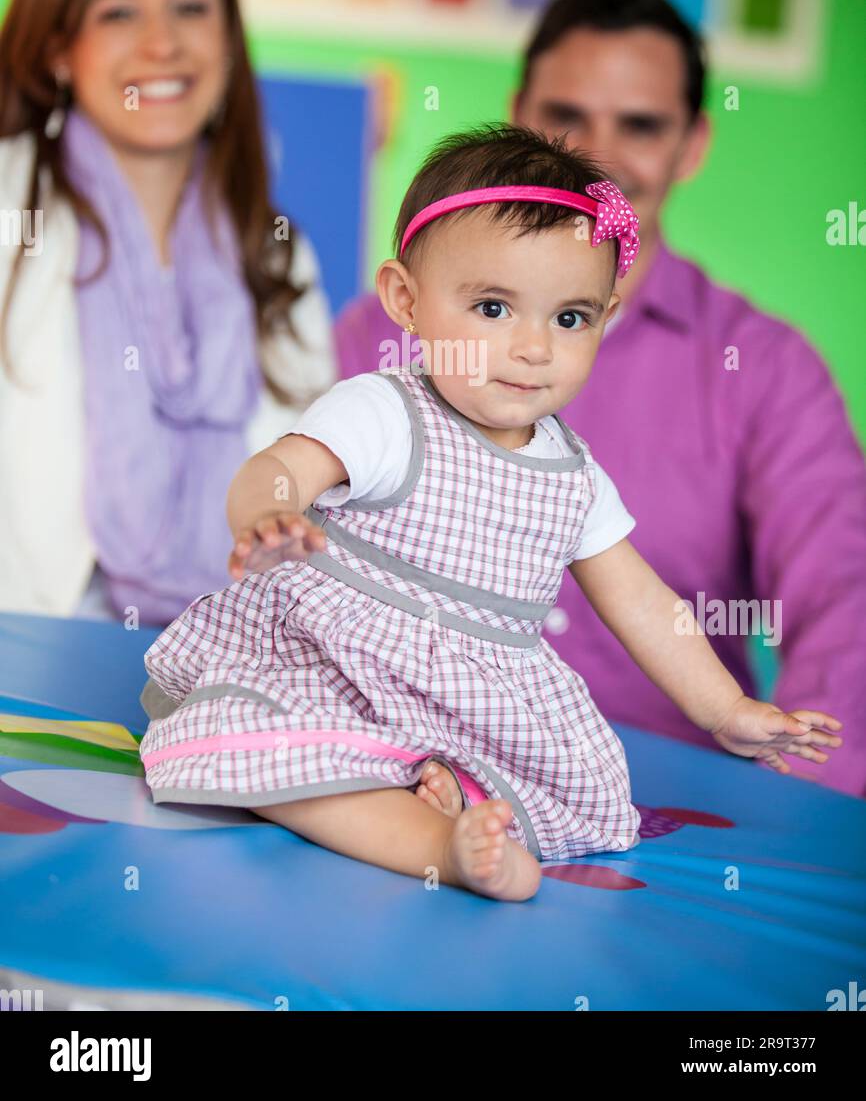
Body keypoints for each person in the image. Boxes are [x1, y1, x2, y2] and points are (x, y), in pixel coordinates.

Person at [137, 128, 842, 902]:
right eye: (494, 307)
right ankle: (433, 839)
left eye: (570, 318)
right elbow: (279, 468)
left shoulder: (573, 475)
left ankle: (459, 812)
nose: (533, 347)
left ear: (605, 318)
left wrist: (726, 710)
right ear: (406, 300)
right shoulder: (386, 411)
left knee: (557, 802)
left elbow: (644, 604)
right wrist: (269, 517)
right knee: (275, 758)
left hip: (475, 702)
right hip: (340, 667)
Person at [333, 0, 866, 798]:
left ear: (692, 144)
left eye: (642, 125)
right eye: (567, 114)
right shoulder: (381, 332)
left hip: (653, 808)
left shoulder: (765, 369)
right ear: (518, 116)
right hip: (387, 768)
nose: (601, 154)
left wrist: (808, 809)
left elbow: (844, 600)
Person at [0, 0, 336, 626]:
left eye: (190, 7)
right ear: (59, 47)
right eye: (118, 12)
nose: (162, 44)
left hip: (229, 662)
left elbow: (315, 482)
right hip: (27, 647)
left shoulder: (281, 253)